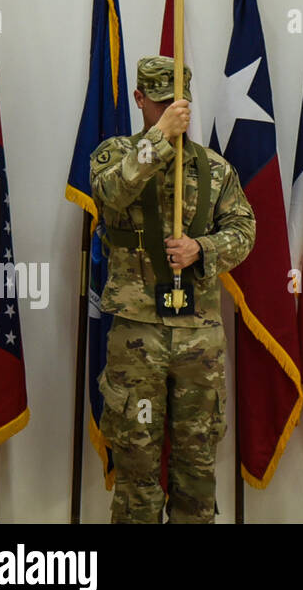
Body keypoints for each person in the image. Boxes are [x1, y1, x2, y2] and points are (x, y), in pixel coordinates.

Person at [91, 56, 255, 523]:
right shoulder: (114, 154)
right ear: (140, 100)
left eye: (174, 102)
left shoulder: (215, 169)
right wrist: (159, 137)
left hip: (198, 337)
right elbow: (110, 193)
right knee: (137, 468)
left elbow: (244, 231)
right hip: (136, 335)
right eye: (157, 102)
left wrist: (202, 249)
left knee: (196, 469)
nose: (167, 109)